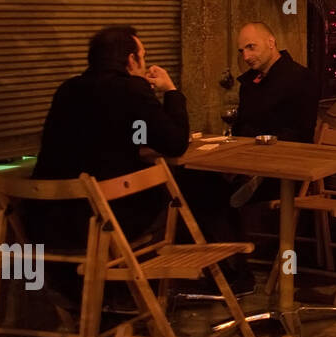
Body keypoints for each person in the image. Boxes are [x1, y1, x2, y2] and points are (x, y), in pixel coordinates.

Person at [30, 26, 191, 306]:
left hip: (45, 222)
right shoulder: (130, 89)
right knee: (176, 194)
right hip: (100, 222)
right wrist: (171, 92)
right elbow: (175, 143)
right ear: (131, 61)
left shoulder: (67, 89)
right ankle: (145, 295)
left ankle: (103, 295)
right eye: (143, 56)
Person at [231, 22, 320, 143]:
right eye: (242, 51)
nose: (246, 57)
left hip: (285, 156)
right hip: (247, 154)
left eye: (251, 47)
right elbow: (240, 126)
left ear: (270, 42)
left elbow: (301, 134)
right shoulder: (249, 82)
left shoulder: (301, 78)